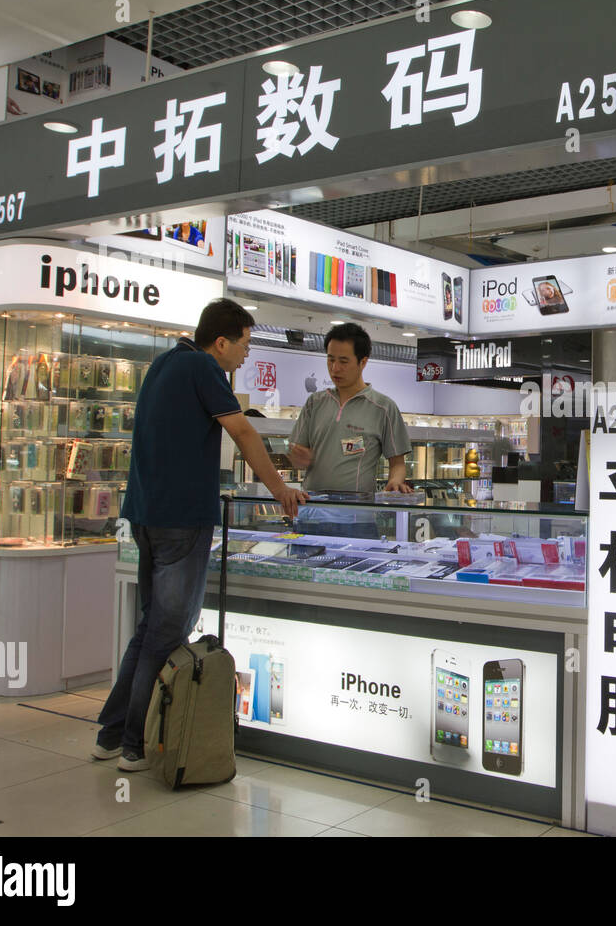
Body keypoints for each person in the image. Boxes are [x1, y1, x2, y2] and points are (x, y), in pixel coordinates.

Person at [94, 299, 308, 772]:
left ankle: (109, 733)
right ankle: (135, 744)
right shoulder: (204, 368)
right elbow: (244, 434)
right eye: (245, 345)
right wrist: (280, 490)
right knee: (166, 633)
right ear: (221, 342)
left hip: (146, 516)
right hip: (181, 521)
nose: (246, 356)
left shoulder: (164, 364)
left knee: (149, 629)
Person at [287, 322, 413, 536]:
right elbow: (296, 453)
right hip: (311, 516)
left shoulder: (383, 407)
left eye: (344, 361)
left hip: (357, 519)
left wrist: (395, 481)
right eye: (331, 359)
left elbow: (398, 463)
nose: (335, 368)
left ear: (363, 362)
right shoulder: (315, 403)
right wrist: (298, 457)